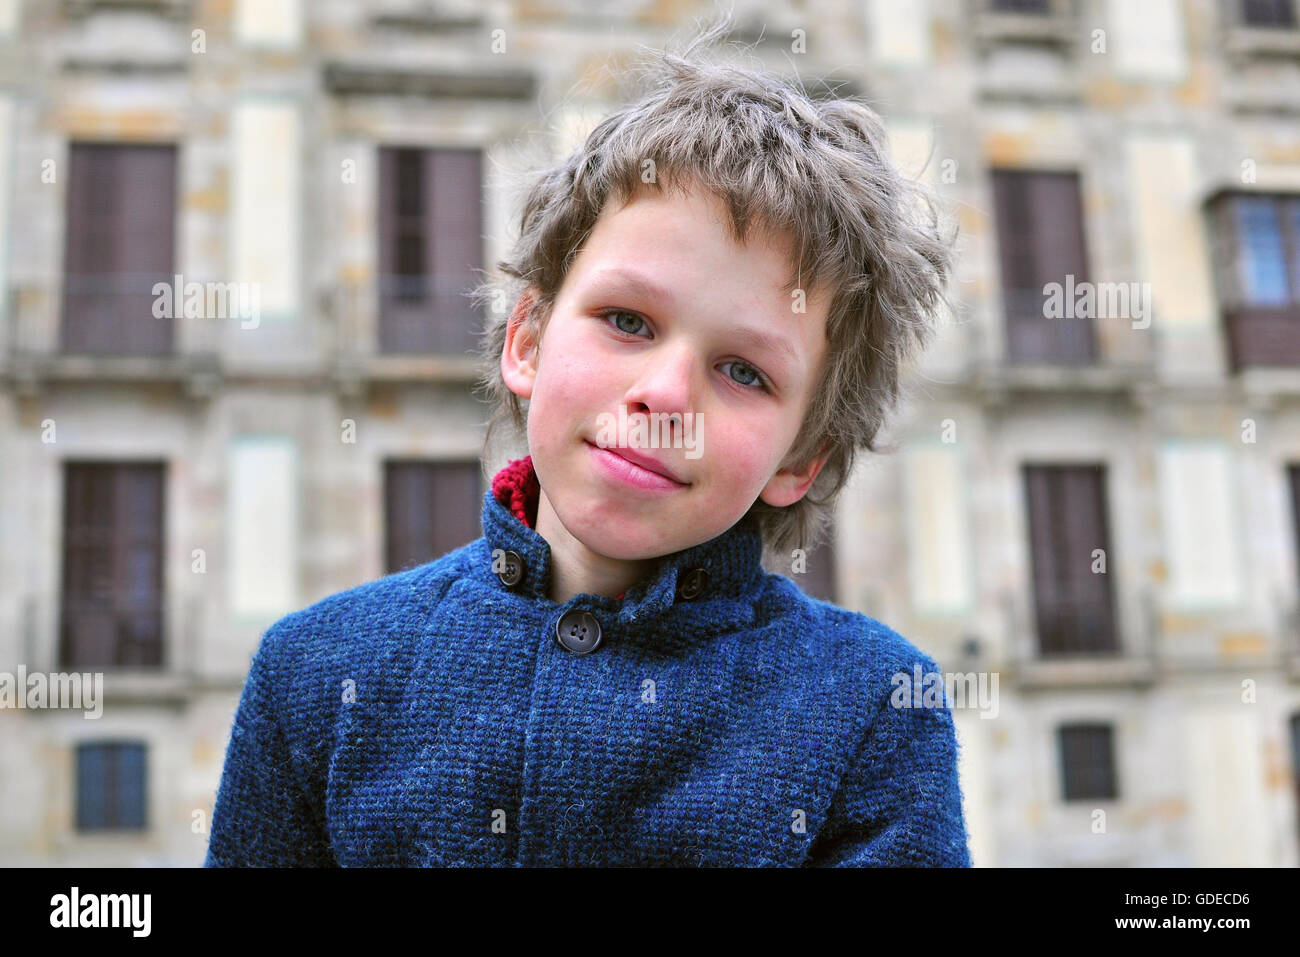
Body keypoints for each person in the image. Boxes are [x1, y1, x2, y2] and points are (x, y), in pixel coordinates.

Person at [205, 15, 972, 867]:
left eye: (745, 371)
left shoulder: (875, 709)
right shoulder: (313, 674)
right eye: (627, 320)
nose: (665, 394)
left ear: (803, 458)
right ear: (526, 338)